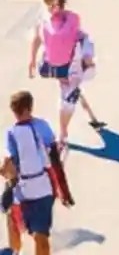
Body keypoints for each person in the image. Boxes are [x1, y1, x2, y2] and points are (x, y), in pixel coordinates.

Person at [3, 91, 72, 255]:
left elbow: (54, 159)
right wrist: (64, 191)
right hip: (29, 189)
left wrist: (63, 190)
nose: (18, 115)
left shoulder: (36, 128)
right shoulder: (14, 132)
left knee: (38, 235)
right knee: (18, 227)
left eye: (19, 111)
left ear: (27, 109)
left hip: (37, 189)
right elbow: (11, 165)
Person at [26, 0, 84, 146]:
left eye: (53, 5)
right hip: (50, 65)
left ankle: (63, 130)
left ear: (60, 5)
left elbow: (64, 36)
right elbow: (37, 38)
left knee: (67, 102)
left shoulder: (72, 19)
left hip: (69, 66)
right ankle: (64, 128)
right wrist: (32, 59)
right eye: (48, 6)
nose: (50, 9)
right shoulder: (44, 19)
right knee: (66, 95)